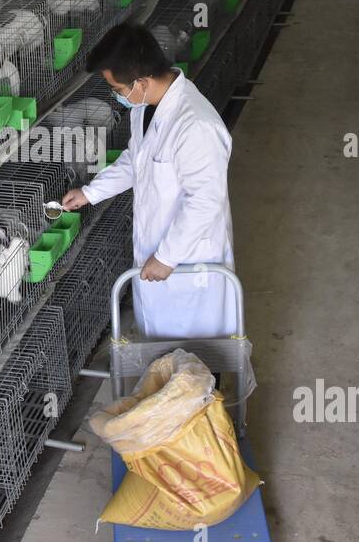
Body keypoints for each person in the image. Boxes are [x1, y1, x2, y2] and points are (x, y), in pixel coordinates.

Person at [61, 23, 237, 340]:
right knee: (165, 355)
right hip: (159, 257)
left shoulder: (194, 125)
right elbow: (136, 159)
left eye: (117, 89)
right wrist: (90, 192)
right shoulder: (145, 107)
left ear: (141, 82)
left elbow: (205, 201)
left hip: (190, 262)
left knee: (199, 364)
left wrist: (167, 257)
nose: (118, 97)